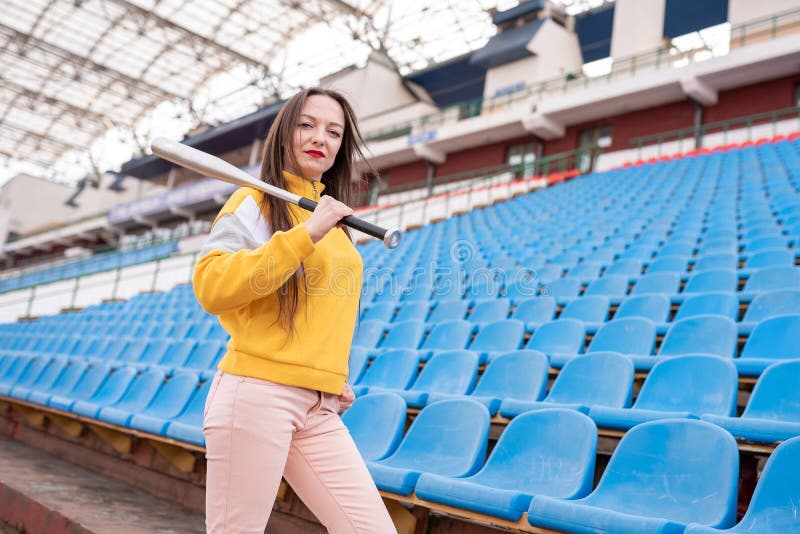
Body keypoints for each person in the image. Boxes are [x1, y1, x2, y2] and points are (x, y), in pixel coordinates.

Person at [193, 87, 397, 534]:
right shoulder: (255, 201)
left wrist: (329, 376)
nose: (319, 137)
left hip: (318, 407)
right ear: (285, 132)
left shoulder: (335, 225)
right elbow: (211, 286)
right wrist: (305, 237)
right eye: (307, 124)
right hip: (257, 393)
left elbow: (322, 310)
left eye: (333, 131)